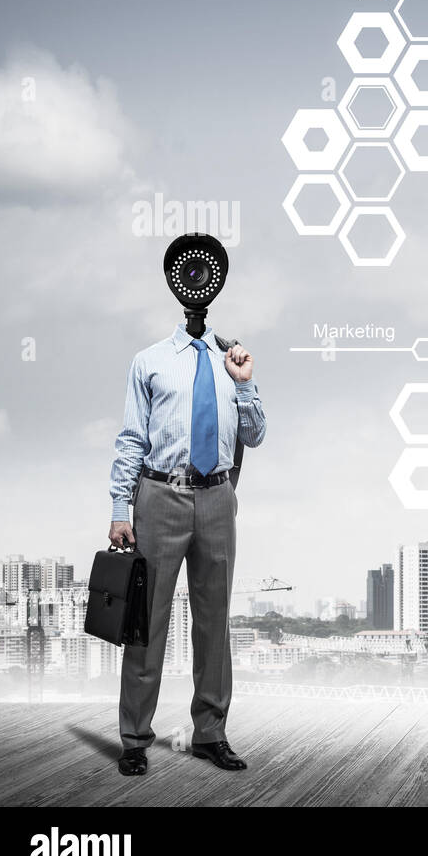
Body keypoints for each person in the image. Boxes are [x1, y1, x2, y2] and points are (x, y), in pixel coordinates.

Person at [107, 324, 266, 776]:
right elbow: (132, 437)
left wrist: (246, 383)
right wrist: (122, 507)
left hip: (217, 496)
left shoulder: (231, 360)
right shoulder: (150, 360)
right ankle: (135, 739)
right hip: (159, 496)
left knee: (215, 622)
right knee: (146, 620)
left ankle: (210, 735)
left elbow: (254, 436)